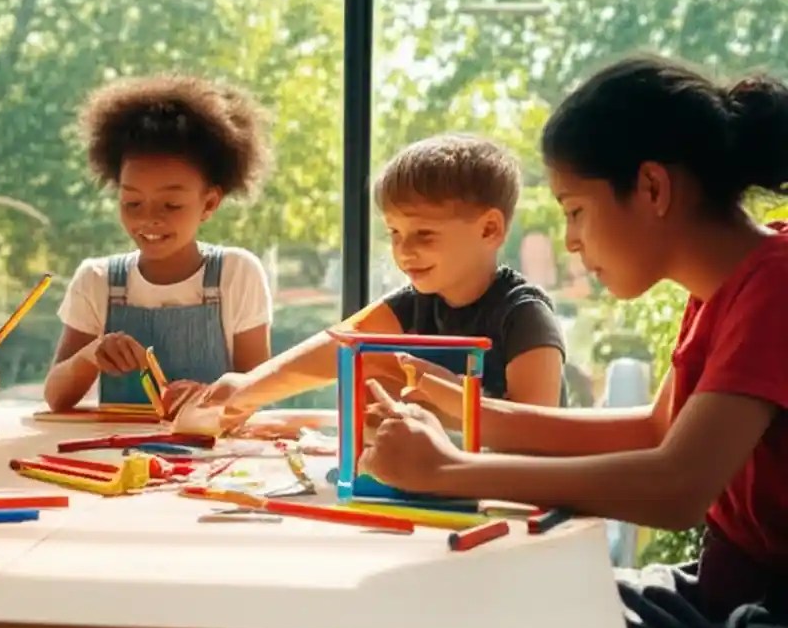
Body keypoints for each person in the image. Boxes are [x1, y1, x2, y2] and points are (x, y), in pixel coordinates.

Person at [362, 55, 788, 628]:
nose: (570, 240)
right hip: (723, 595)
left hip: (770, 618)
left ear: (652, 188)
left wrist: (449, 469)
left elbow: (678, 486)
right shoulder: (722, 290)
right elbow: (656, 431)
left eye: (575, 210)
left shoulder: (775, 285)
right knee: (485, 612)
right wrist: (465, 410)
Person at [177, 133, 566, 432]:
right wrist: (245, 389)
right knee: (371, 377)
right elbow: (336, 348)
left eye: (424, 234)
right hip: (437, 486)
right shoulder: (413, 303)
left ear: (489, 229)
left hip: (518, 495)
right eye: (395, 233)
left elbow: (537, 429)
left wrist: (444, 392)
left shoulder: (524, 314)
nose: (404, 251)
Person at [43, 74, 274, 409]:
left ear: (209, 203)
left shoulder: (238, 274)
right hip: (115, 444)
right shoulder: (96, 281)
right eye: (132, 202)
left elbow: (259, 394)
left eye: (171, 205)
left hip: (210, 444)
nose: (148, 218)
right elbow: (56, 398)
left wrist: (209, 400)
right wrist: (90, 355)